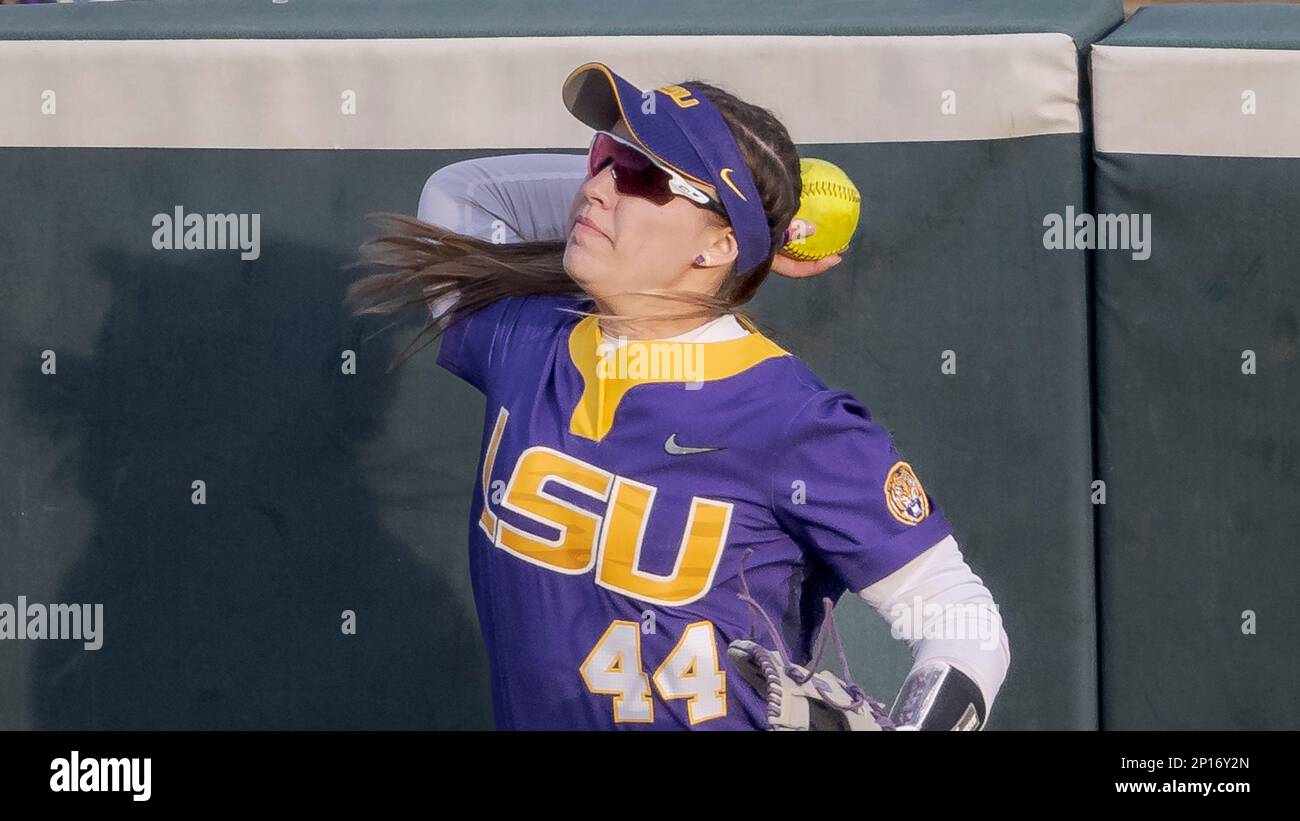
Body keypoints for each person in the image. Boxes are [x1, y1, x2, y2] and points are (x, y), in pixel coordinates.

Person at [348, 62, 1009, 730]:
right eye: (604, 156)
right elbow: (462, 194)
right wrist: (752, 235)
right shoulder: (527, 340)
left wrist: (743, 230)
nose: (599, 186)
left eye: (641, 173)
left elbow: (962, 617)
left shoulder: (792, 421)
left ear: (716, 244)